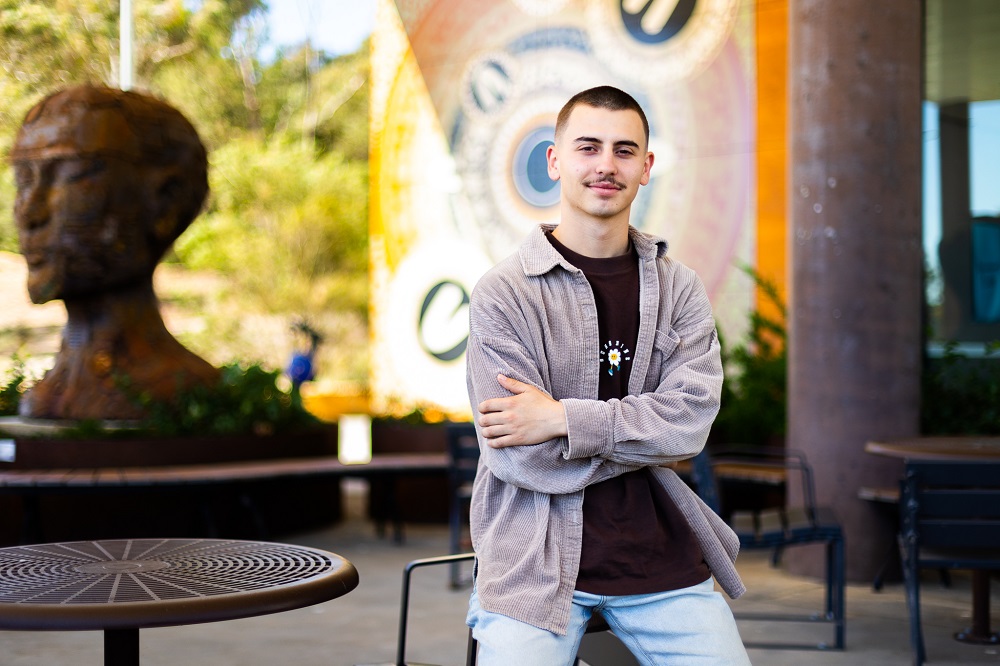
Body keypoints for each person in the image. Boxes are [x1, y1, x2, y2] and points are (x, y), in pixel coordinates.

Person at [464, 86, 751, 664]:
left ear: (646, 167)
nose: (605, 165)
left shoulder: (679, 288)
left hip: (660, 560)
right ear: (555, 161)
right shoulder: (504, 293)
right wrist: (645, 442)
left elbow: (689, 424)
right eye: (588, 147)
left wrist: (560, 418)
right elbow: (519, 455)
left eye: (624, 151)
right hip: (534, 562)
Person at [10, 85, 218, 420]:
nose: (29, 213)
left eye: (72, 176)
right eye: (23, 181)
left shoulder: (180, 391)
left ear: (165, 201)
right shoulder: (47, 396)